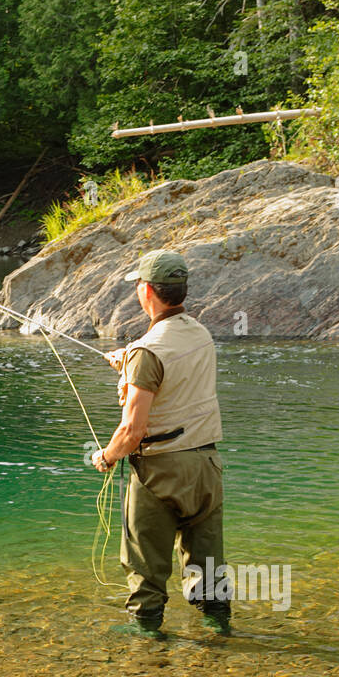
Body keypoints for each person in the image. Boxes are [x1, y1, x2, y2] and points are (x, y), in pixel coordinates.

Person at [90, 250, 230, 636]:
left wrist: (105, 457)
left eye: (139, 285)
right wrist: (130, 362)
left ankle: (147, 638)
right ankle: (220, 632)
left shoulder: (147, 352)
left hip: (160, 472)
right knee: (208, 565)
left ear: (147, 291)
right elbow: (174, 372)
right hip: (206, 469)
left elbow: (131, 432)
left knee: (145, 566)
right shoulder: (200, 334)